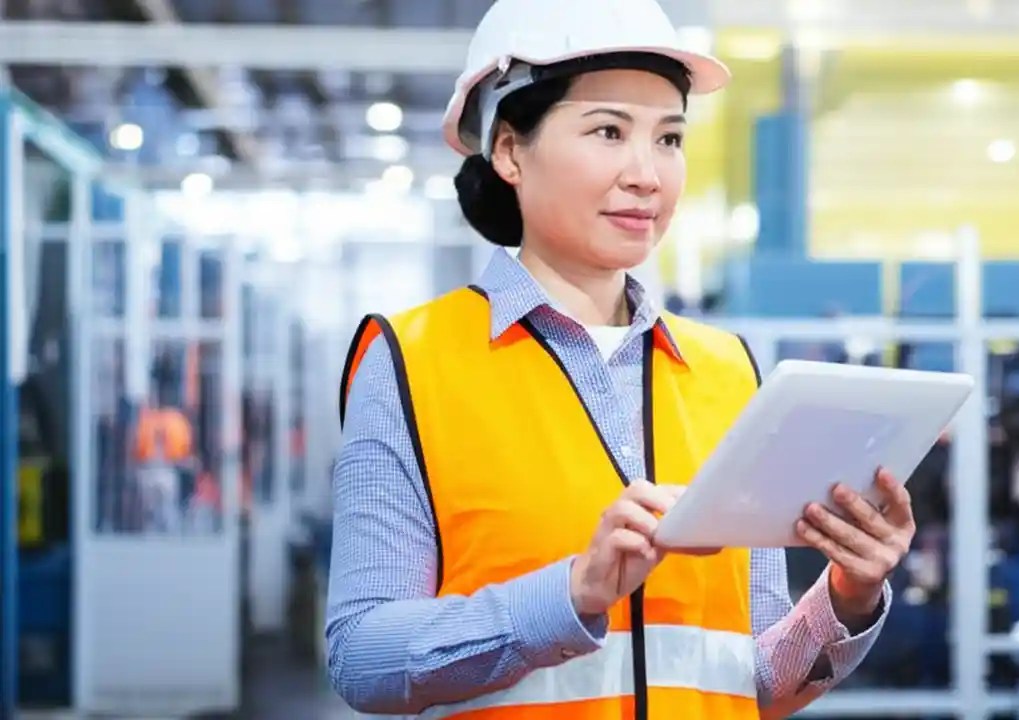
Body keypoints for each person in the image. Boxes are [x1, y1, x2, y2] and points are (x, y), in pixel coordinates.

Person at [325, 1, 917, 718]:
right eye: (608, 131)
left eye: (669, 139)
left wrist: (848, 594)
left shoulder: (726, 370)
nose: (648, 175)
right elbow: (362, 656)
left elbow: (752, 678)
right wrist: (575, 591)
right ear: (510, 151)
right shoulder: (411, 361)